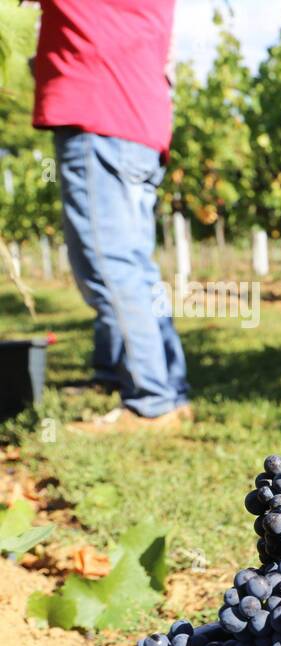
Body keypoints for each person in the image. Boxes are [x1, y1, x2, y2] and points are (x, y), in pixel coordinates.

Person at [32, 0, 191, 432]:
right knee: (134, 266)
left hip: (99, 113)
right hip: (139, 122)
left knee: (109, 266)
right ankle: (168, 391)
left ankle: (150, 403)